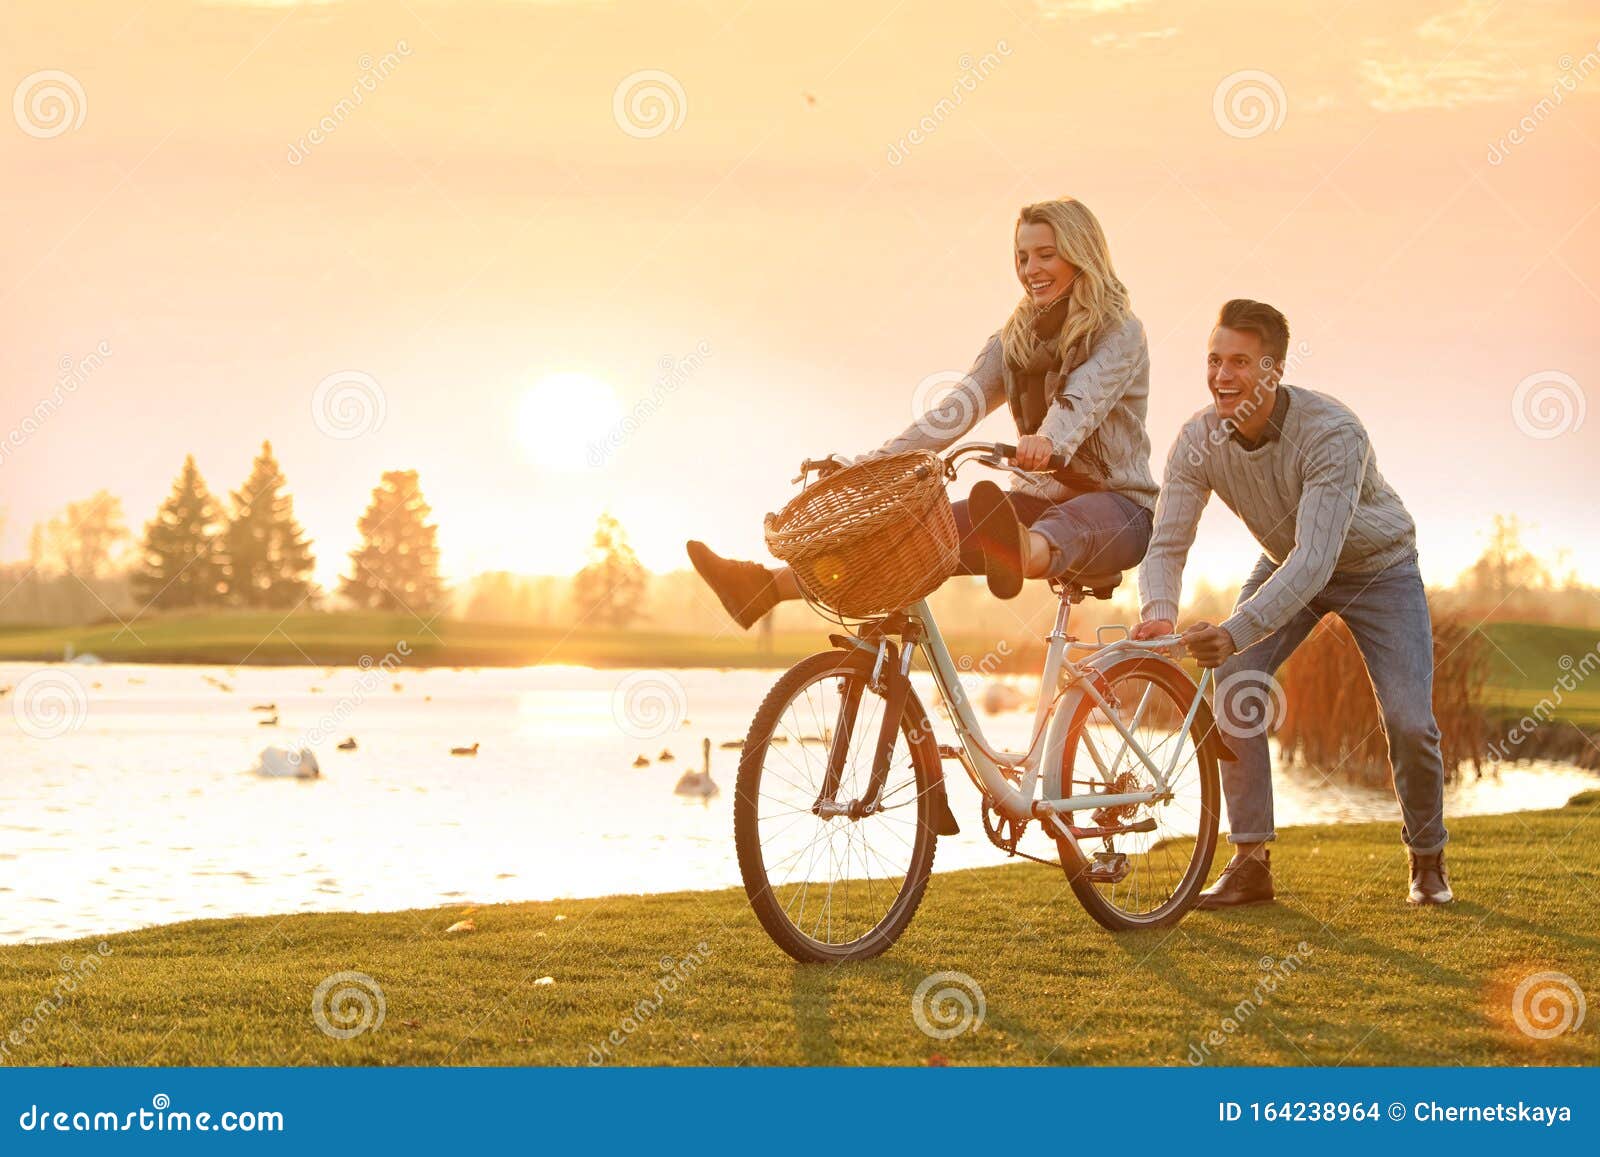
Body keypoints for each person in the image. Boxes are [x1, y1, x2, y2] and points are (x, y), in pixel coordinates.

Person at [688, 197, 1158, 625]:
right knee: (913, 537)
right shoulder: (1013, 339)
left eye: (1045, 254)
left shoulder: (1120, 332)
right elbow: (954, 411)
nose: (1030, 268)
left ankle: (1023, 551)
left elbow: (1080, 399)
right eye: (1021, 257)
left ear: (1081, 255)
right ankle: (763, 587)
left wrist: (1049, 441)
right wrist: (869, 467)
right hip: (1034, 500)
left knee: (1064, 525)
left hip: (1119, 508)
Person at [1133, 298, 1452, 908]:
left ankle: (1427, 858)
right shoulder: (1199, 439)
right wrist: (1158, 612)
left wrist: (1233, 628)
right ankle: (1250, 865)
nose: (1223, 376)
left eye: (1241, 363)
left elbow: (1318, 559)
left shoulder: (1334, 432)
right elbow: (1167, 540)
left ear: (1274, 371)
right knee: (1234, 680)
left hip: (1377, 569)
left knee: (1410, 721)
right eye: (1215, 360)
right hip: (1289, 562)